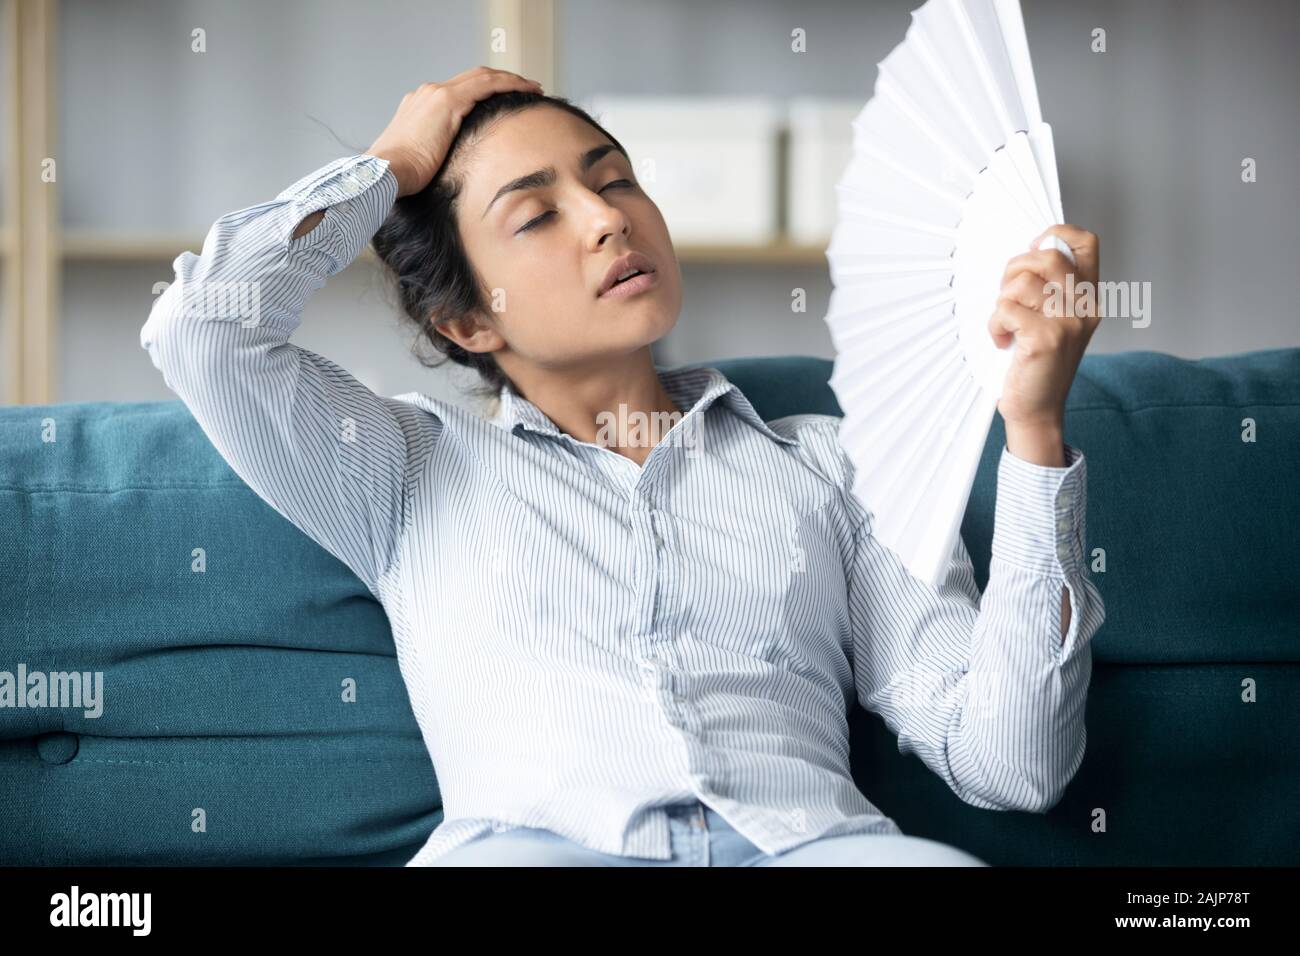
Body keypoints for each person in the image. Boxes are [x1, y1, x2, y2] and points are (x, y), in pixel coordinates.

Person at [140, 66, 1105, 867]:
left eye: (615, 180)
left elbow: (1013, 763)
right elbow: (203, 329)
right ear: (470, 320)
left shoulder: (831, 466)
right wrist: (391, 166)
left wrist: (1033, 432)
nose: (606, 220)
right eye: (536, 215)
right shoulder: (404, 469)